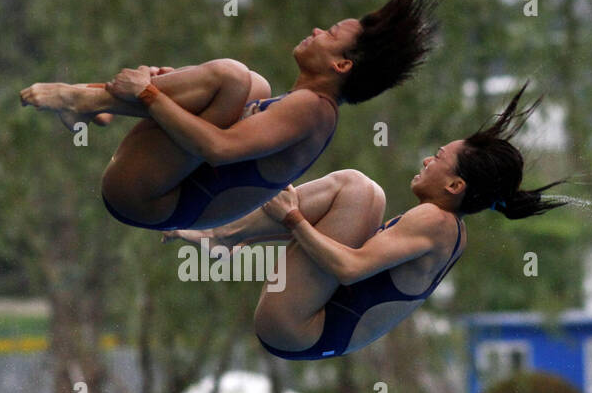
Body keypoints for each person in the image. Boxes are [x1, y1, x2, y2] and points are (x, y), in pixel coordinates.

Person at [167, 84, 567, 359]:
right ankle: (225, 236)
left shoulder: (434, 221)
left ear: (455, 184)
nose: (427, 159)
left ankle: (220, 233)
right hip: (310, 334)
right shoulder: (452, 230)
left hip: (298, 328)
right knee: (363, 193)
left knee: (359, 189)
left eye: (438, 157)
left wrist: (292, 219)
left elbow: (351, 268)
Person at [18, 0, 438, 231]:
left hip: (150, 198)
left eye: (328, 33)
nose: (315, 30)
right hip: (167, 192)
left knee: (234, 77)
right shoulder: (307, 106)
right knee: (249, 84)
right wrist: (169, 86)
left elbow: (217, 149)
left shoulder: (312, 109)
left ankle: (82, 99)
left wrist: (150, 93)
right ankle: (90, 104)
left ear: (341, 63)